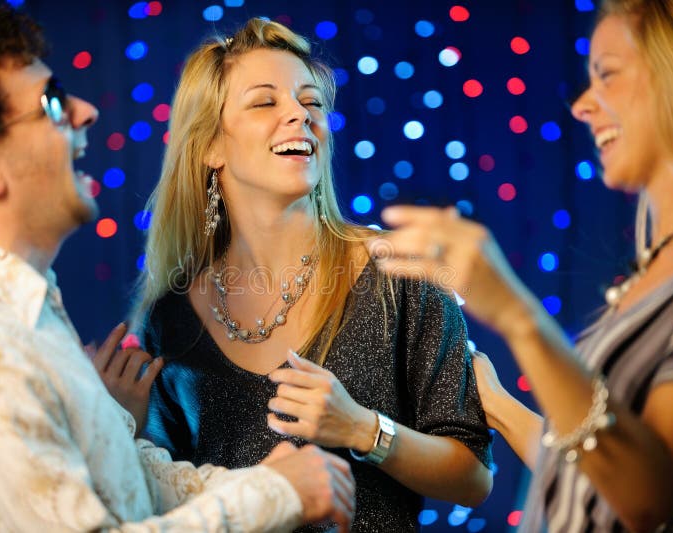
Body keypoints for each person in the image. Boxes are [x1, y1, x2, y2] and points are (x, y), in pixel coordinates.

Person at [0, 2, 356, 531]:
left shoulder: (22, 310)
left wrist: (269, 482)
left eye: (310, 100)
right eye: (50, 103)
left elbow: (128, 484)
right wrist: (274, 494)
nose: (85, 111)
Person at [129, 17, 493, 533]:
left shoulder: (400, 272)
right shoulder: (170, 320)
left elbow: (474, 478)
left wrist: (365, 430)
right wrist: (120, 426)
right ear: (211, 146)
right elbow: (159, 504)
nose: (299, 115)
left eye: (311, 102)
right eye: (265, 102)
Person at [369, 0, 673, 531]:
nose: (583, 106)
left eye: (608, 74)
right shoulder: (660, 266)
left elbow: (647, 496)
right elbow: (597, 476)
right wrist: (498, 404)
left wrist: (518, 317)